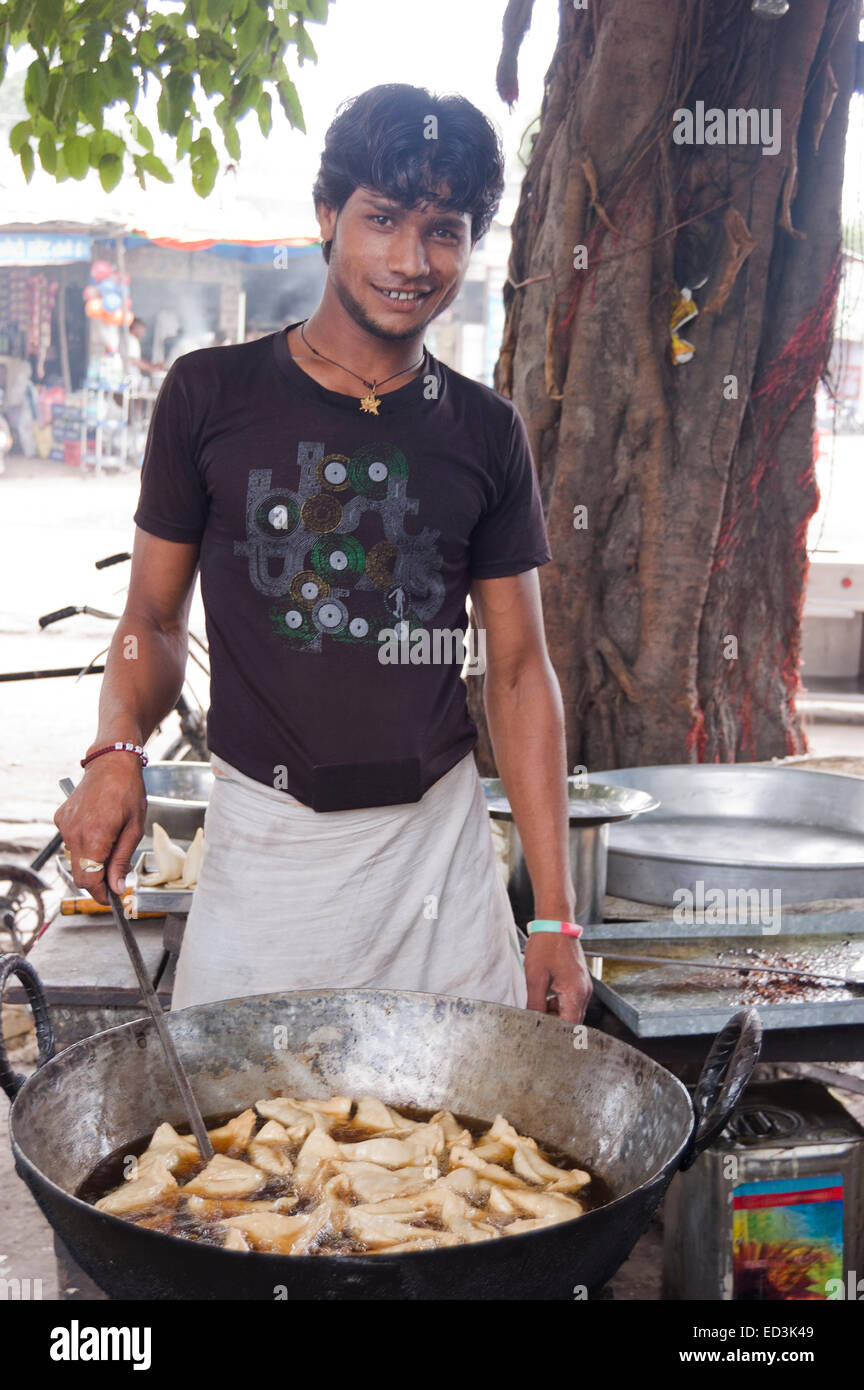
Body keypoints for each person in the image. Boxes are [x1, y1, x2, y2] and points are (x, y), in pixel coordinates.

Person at [55, 84, 592, 1022]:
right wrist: (116, 748)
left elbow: (516, 670)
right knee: (245, 1151)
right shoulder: (208, 396)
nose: (409, 260)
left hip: (438, 865)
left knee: (468, 1148)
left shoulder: (486, 430)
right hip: (267, 853)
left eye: (443, 230)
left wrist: (556, 916)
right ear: (326, 218)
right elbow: (150, 618)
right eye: (382, 219)